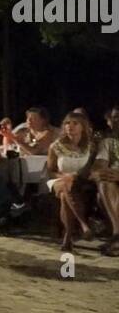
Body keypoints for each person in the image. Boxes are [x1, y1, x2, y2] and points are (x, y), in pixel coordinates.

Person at [47, 112, 108, 252]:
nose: (70, 126)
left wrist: (75, 177)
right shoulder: (55, 146)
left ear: (83, 127)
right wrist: (64, 176)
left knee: (65, 195)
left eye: (75, 123)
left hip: (81, 181)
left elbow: (92, 168)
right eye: (67, 123)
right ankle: (83, 225)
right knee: (66, 186)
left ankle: (68, 236)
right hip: (59, 180)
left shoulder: (91, 146)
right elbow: (51, 171)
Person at [92, 106, 119, 255]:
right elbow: (99, 165)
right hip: (112, 180)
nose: (115, 121)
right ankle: (117, 233)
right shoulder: (108, 142)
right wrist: (101, 172)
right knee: (104, 182)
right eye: (113, 117)